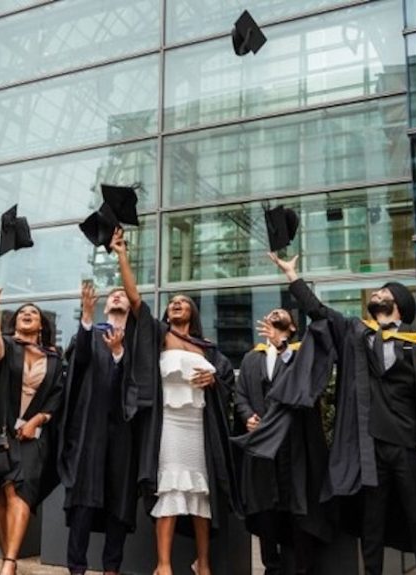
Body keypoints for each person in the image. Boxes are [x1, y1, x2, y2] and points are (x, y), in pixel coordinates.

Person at [263, 252, 416, 575]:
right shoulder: (357, 335)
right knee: (371, 523)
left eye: (384, 291)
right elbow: (320, 312)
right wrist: (292, 276)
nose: (377, 293)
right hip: (370, 449)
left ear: (398, 302)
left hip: (410, 448)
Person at [112, 228, 238, 575]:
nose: (176, 303)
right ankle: (164, 565)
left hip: (200, 427)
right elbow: (136, 301)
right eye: (172, 302)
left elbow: (227, 382)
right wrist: (122, 254)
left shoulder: (208, 348)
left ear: (193, 312)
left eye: (183, 301)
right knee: (169, 489)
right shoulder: (160, 336)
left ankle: (204, 564)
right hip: (168, 424)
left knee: (201, 496)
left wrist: (214, 379)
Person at [0, 286, 64, 575]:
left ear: (41, 325)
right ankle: (6, 558)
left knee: (20, 492)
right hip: (1, 432)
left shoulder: (54, 357)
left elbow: (57, 396)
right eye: (23, 312)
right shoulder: (8, 346)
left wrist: (37, 420)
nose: (27, 314)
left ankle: (9, 562)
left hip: (32, 437)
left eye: (33, 313)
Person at [232, 309, 330, 574]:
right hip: (262, 445)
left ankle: (303, 568)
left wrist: (282, 346)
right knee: (265, 507)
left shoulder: (300, 356)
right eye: (271, 312)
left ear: (293, 327)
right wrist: (247, 417)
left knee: (298, 505)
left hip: (294, 444)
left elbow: (307, 385)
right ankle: (271, 567)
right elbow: (240, 395)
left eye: (281, 313)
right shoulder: (252, 358)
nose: (274, 312)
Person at [59, 282, 137, 575]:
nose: (117, 294)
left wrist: (119, 354)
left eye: (123, 294)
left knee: (118, 499)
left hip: (123, 431)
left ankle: (111, 568)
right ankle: (76, 567)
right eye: (112, 294)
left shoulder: (137, 341)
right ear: (105, 306)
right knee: (83, 500)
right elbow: (77, 363)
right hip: (89, 428)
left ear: (131, 306)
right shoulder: (91, 333)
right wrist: (87, 318)